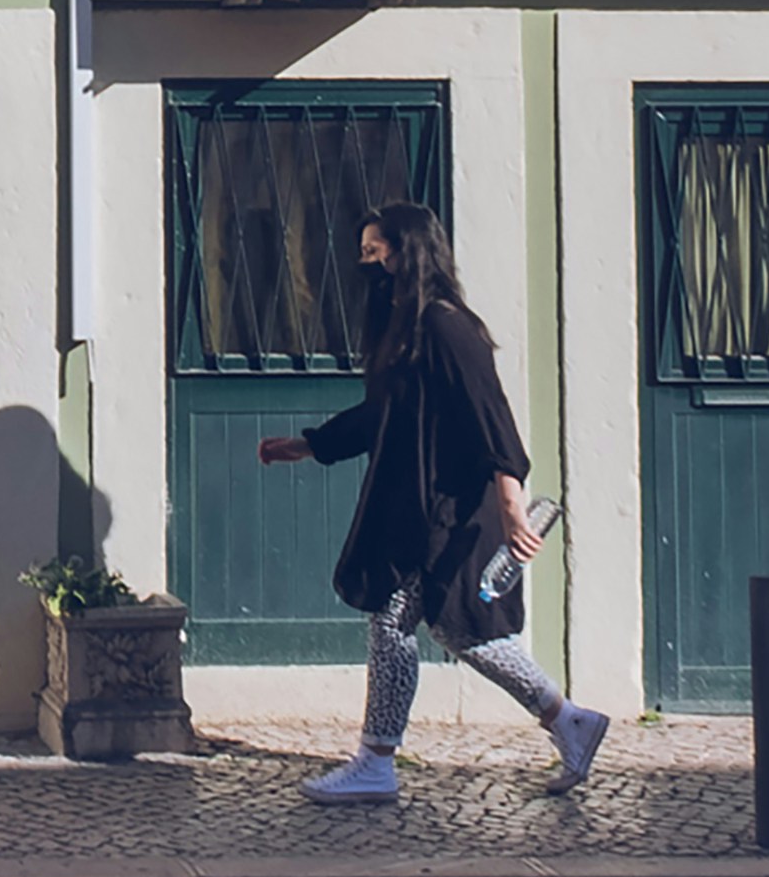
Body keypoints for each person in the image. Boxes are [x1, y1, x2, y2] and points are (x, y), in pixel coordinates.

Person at [255, 199, 608, 806]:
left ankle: (376, 759)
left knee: (399, 620)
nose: (367, 265)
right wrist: (309, 445)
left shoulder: (447, 325)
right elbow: (383, 415)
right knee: (456, 629)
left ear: (408, 252)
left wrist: (511, 507)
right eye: (364, 253)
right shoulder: (406, 331)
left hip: (447, 508)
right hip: (408, 503)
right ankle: (567, 718)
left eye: (377, 252)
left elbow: (492, 418)